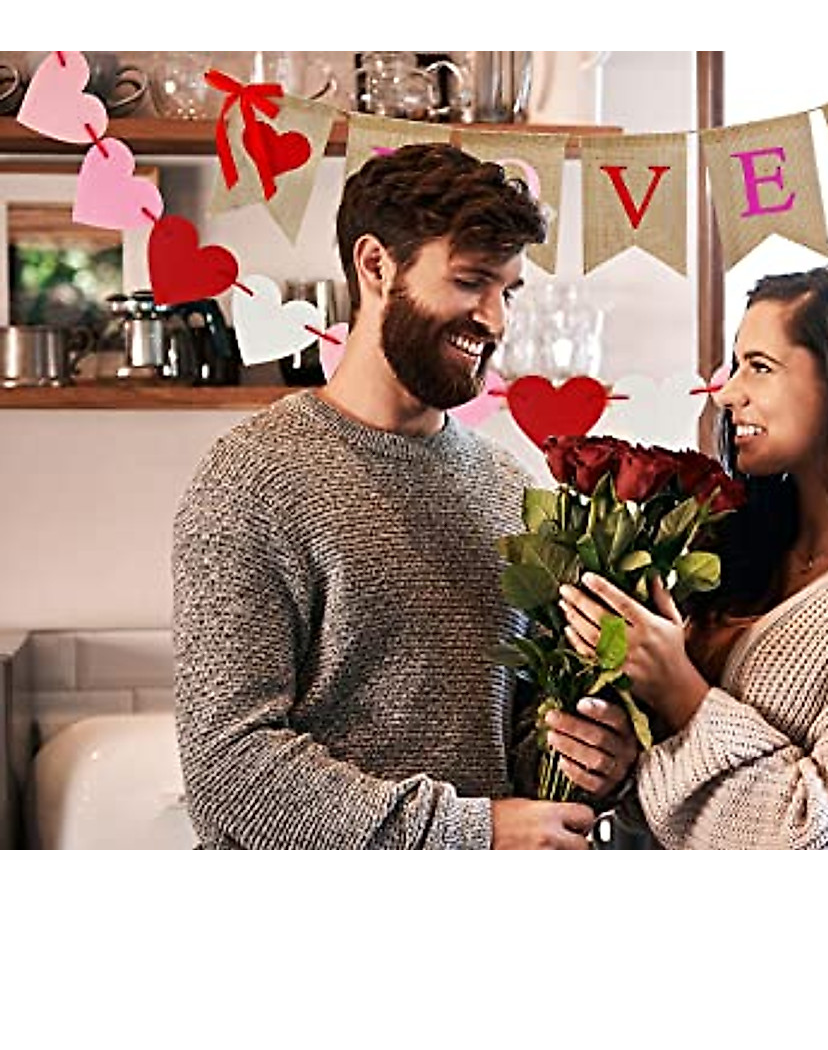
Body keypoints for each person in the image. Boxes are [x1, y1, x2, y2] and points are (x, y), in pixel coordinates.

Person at [173, 144, 638, 849]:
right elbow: (228, 771)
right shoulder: (252, 479)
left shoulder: (511, 489)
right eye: (470, 281)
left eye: (508, 291)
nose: (496, 320)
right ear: (376, 265)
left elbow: (514, 748)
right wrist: (473, 835)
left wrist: (593, 758)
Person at [559, 262, 828, 849]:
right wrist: (621, 764)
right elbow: (677, 796)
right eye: (736, 364)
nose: (727, 393)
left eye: (760, 367)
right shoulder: (750, 548)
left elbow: (820, 843)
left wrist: (678, 692)